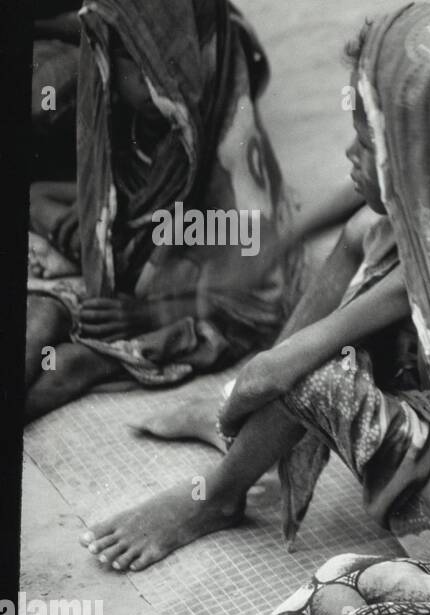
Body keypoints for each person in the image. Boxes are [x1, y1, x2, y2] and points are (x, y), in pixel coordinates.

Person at [80, 3, 430, 580]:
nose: (352, 156)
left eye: (370, 145)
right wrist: (286, 242)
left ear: (422, 162)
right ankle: (247, 430)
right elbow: (383, 197)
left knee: (319, 375)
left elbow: (300, 359)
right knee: (369, 232)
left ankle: (218, 496)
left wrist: (268, 372)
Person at [26, 0, 300, 422]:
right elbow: (64, 195)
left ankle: (101, 359)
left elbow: (258, 297)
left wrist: (147, 313)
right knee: (39, 321)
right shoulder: (119, 114)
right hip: (127, 276)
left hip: (189, 303)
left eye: (168, 64)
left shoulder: (229, 157)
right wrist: (87, 220)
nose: (155, 81)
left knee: (68, 366)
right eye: (132, 62)